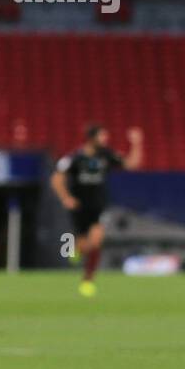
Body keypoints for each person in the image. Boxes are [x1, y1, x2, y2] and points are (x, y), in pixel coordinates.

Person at [51, 124, 143, 296]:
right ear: (92, 138)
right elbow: (56, 178)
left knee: (96, 242)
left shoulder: (106, 156)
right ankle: (76, 250)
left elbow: (131, 164)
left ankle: (87, 281)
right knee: (83, 244)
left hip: (98, 207)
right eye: (102, 136)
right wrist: (65, 198)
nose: (105, 140)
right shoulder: (75, 158)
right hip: (79, 207)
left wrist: (137, 143)